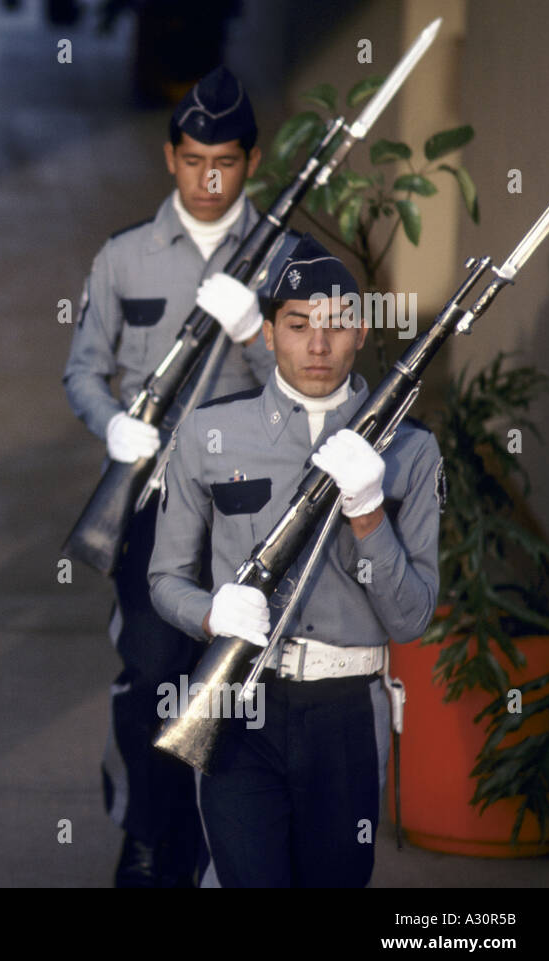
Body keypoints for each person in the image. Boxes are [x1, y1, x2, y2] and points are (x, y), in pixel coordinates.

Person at [147, 235, 442, 887]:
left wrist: (368, 512)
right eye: (298, 324)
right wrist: (209, 611)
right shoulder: (209, 433)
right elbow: (164, 578)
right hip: (241, 698)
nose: (317, 345)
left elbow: (413, 617)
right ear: (270, 330)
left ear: (361, 330)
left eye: (335, 325)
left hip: (346, 710)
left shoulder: (413, 452)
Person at [62, 65, 286, 886]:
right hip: (149, 503)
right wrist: (112, 422)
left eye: (225, 160)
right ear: (169, 158)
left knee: (246, 681)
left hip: (248, 509)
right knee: (153, 672)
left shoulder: (288, 260)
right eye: (193, 158)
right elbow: (82, 370)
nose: (209, 177)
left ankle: (228, 846)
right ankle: (150, 834)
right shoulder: (122, 257)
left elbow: (323, 388)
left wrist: (261, 336)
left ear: (251, 161)